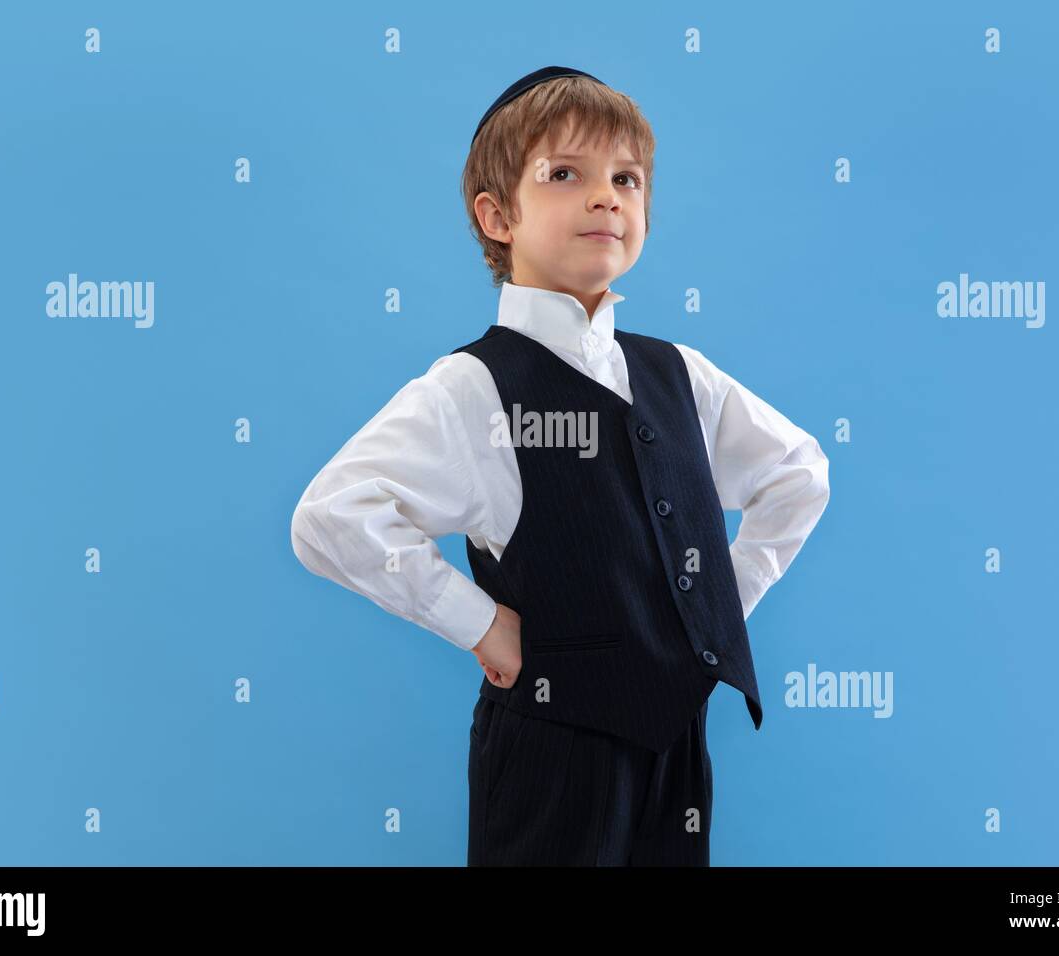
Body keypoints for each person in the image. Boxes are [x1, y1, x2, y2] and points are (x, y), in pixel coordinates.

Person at [290, 66, 831, 865]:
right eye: (566, 175)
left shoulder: (680, 373)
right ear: (498, 215)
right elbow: (330, 517)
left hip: (674, 752)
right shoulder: (474, 390)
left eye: (627, 178)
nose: (606, 197)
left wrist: (713, 616)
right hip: (551, 759)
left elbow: (800, 474)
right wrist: (477, 623)